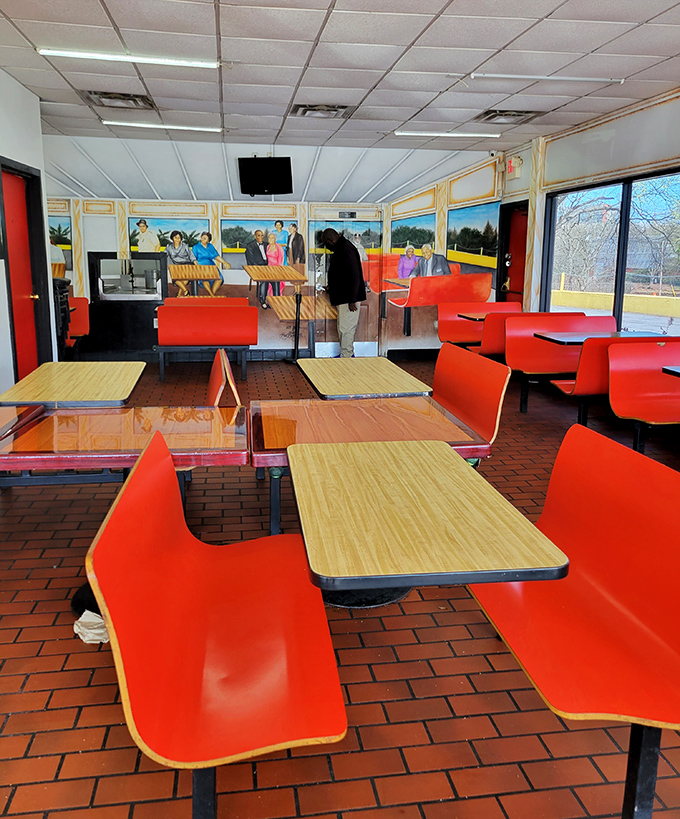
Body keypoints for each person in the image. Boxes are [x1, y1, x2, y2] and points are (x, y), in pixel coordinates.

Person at [321, 227, 366, 358]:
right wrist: (332, 286)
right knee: (342, 328)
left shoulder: (345, 249)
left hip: (349, 299)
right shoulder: (343, 248)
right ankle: (345, 355)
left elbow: (354, 275)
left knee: (346, 329)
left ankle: (346, 357)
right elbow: (343, 274)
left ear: (330, 241)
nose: (327, 247)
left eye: (326, 244)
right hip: (345, 297)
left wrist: (352, 299)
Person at [193, 231, 231, 296]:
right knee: (204, 280)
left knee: (219, 279)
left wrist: (224, 262)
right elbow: (193, 259)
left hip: (211, 265)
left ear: (208, 240)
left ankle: (211, 295)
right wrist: (198, 267)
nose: (203, 239)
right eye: (202, 238)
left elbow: (216, 256)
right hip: (201, 266)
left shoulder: (210, 246)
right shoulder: (196, 247)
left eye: (205, 238)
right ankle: (212, 295)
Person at [245, 229, 273, 308]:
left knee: (276, 279)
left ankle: (273, 300)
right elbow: (251, 260)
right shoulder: (250, 246)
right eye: (258, 235)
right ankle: (262, 300)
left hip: (267, 267)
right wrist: (259, 269)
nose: (260, 237)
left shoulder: (267, 245)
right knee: (264, 279)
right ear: (255, 236)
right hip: (257, 268)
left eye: (262, 235)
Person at [165, 230, 198, 297]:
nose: (177, 239)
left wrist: (197, 266)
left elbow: (191, 256)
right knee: (175, 279)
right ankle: (185, 290)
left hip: (187, 264)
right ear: (172, 238)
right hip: (176, 266)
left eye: (179, 238)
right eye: (175, 237)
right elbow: (164, 256)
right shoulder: (169, 246)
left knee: (186, 278)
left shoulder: (185, 246)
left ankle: (180, 293)